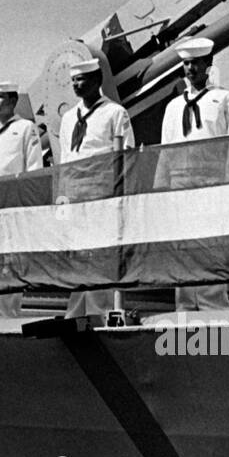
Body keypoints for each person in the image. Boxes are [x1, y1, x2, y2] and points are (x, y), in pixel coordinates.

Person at [157, 38, 229, 311]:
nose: (191, 69)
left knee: (209, 247)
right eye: (186, 63)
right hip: (180, 185)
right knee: (182, 248)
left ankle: (213, 306)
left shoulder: (225, 99)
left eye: (196, 63)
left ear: (209, 64)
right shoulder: (172, 107)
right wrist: (161, 189)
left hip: (211, 183)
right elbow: (165, 151)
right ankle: (185, 307)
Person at [56, 59, 131, 320]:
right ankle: (76, 315)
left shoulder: (115, 113)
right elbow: (64, 162)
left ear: (97, 81)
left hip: (102, 195)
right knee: (78, 257)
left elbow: (126, 158)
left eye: (82, 80)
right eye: (74, 80)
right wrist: (62, 204)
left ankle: (101, 314)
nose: (76, 85)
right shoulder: (68, 119)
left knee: (101, 256)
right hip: (75, 196)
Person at [0, 81, 43, 318]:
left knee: (10, 263)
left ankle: (7, 315)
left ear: (13, 101)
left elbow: (33, 168)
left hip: (13, 205)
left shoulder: (25, 128)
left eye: (1, 97)